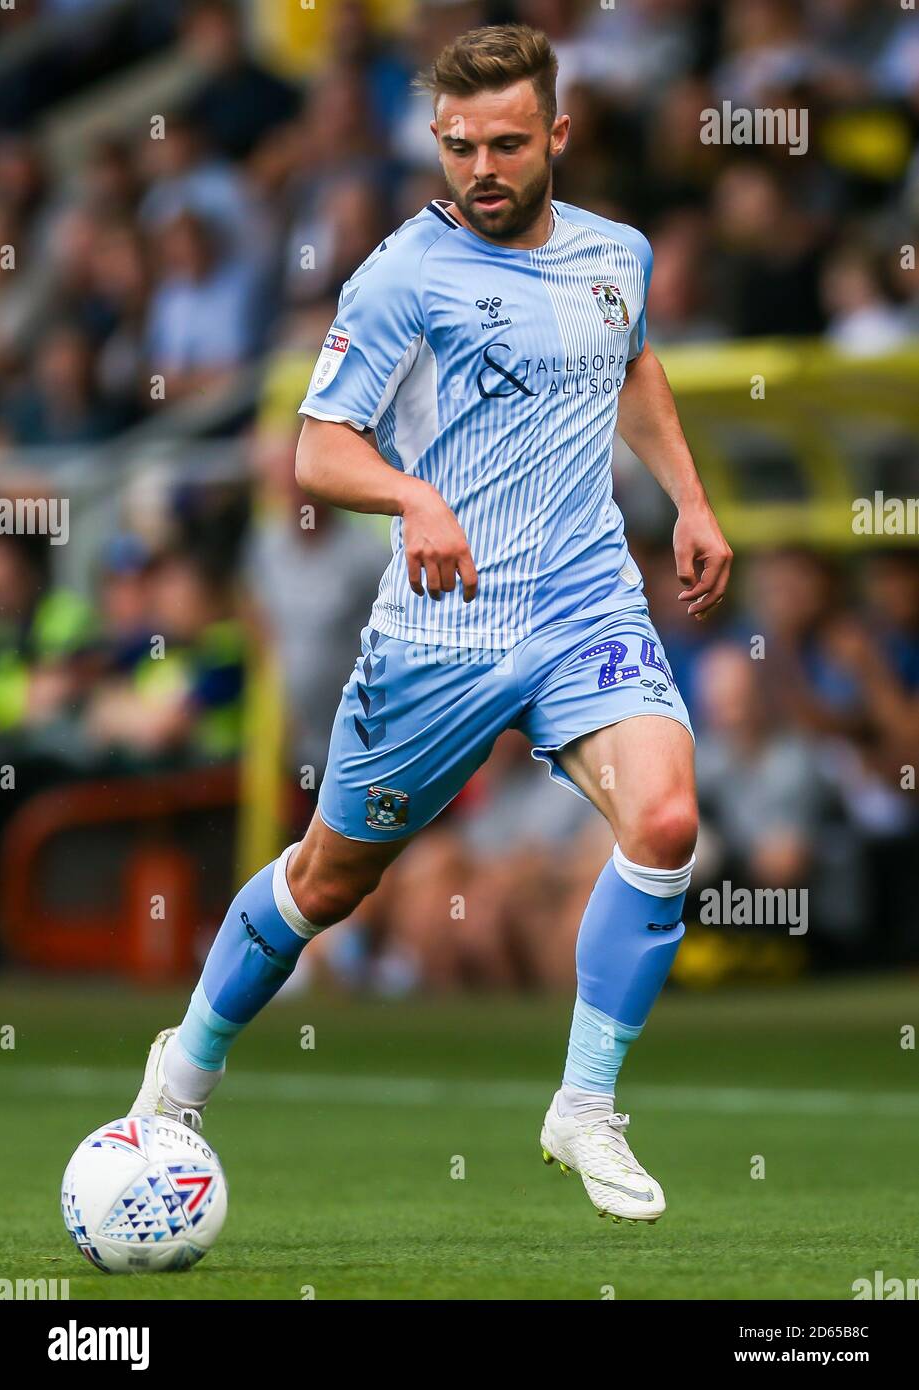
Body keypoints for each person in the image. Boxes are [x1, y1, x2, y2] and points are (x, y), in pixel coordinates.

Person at [130, 23, 732, 1226]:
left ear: (557, 133)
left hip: (582, 603)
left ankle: (586, 1107)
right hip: (441, 635)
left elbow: (634, 362)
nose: (482, 168)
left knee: (666, 818)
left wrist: (692, 499)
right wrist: (413, 495)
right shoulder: (403, 273)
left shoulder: (619, 252)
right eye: (459, 147)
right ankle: (183, 1067)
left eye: (508, 143)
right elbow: (316, 448)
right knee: (327, 879)